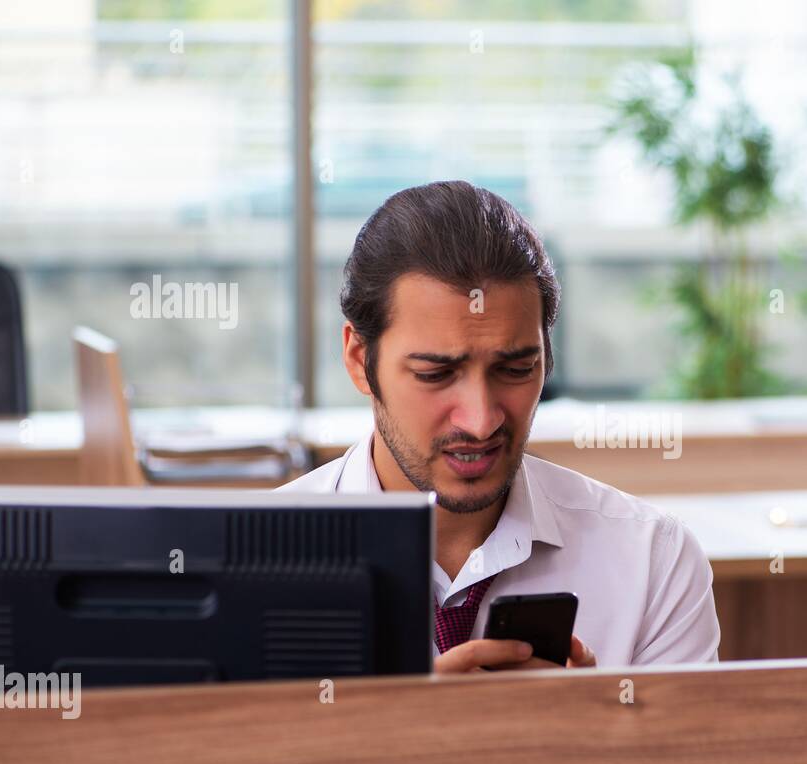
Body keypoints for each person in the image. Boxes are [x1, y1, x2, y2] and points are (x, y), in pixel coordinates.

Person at [281, 181, 721, 674]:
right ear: (360, 360)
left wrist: (593, 716)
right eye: (436, 374)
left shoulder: (654, 561)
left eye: (515, 370)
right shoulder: (254, 563)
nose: (481, 420)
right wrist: (406, 716)